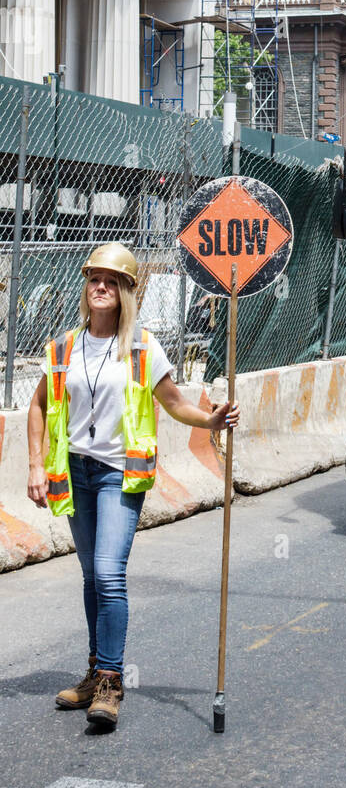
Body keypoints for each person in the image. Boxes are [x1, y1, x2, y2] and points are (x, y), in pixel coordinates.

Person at [26, 243, 240, 729]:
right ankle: (93, 670)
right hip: (75, 473)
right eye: (94, 279)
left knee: (108, 573)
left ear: (126, 291)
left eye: (111, 280)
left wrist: (211, 419)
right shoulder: (63, 348)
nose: (100, 287)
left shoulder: (143, 346)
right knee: (89, 576)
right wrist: (36, 464)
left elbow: (174, 402)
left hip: (120, 474)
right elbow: (38, 407)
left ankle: (110, 682)